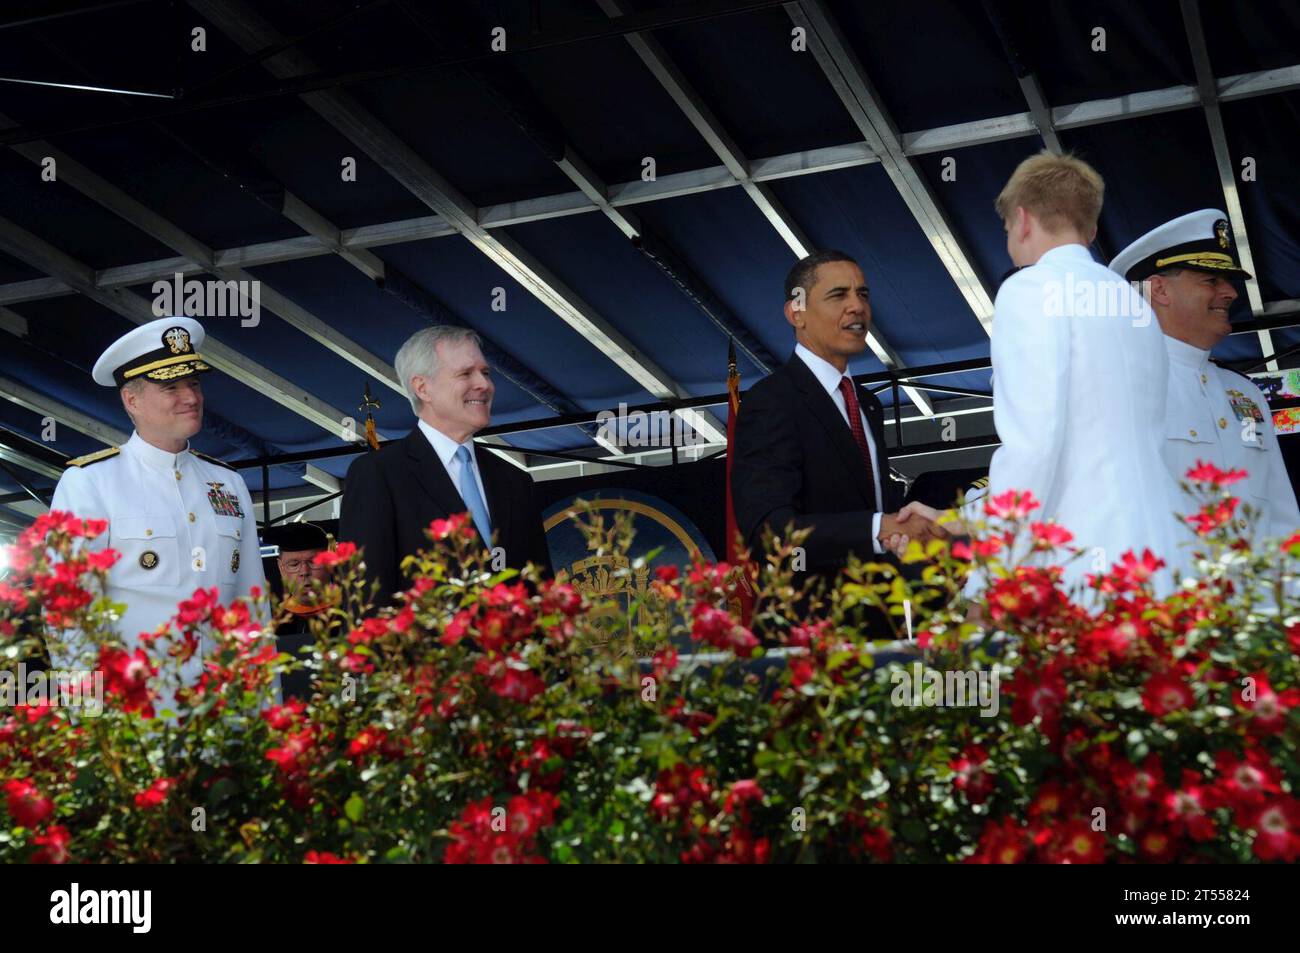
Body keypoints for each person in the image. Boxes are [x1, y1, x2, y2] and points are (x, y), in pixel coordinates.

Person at [914, 153, 1188, 601]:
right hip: (1157, 557)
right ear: (1092, 228)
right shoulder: (1133, 302)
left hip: (1073, 566)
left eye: (1006, 230)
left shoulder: (1029, 290)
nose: (1010, 242)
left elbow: (1034, 447)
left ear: (1022, 220)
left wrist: (991, 581)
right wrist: (955, 522)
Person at [49, 317, 265, 683]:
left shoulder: (228, 483)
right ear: (131, 399)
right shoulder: (90, 482)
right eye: (171, 387)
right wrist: (89, 725)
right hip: (136, 721)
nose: (192, 398)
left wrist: (265, 715)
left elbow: (253, 609)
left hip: (225, 718)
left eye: (194, 383)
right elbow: (69, 614)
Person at [729, 250, 944, 585]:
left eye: (863, 294)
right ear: (796, 312)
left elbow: (875, 517)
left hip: (883, 618)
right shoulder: (771, 401)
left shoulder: (867, 404)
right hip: (813, 626)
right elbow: (769, 533)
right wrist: (878, 526)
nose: (857, 306)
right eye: (838, 295)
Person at [1110, 209, 1300, 549]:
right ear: (1159, 290)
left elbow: (1282, 514)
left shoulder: (1244, 392)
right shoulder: (1116, 383)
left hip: (1256, 600)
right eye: (1211, 280)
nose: (1231, 293)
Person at [340, 326, 551, 603]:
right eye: (465, 373)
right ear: (422, 388)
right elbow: (364, 600)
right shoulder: (378, 475)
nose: (484, 384)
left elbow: (543, 594)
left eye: (485, 373)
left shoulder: (515, 481)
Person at [263, 521, 334, 700]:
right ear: (280, 568)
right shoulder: (269, 623)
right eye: (294, 564)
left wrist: (349, 705)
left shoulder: (348, 614)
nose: (304, 572)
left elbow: (353, 674)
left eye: (313, 562)